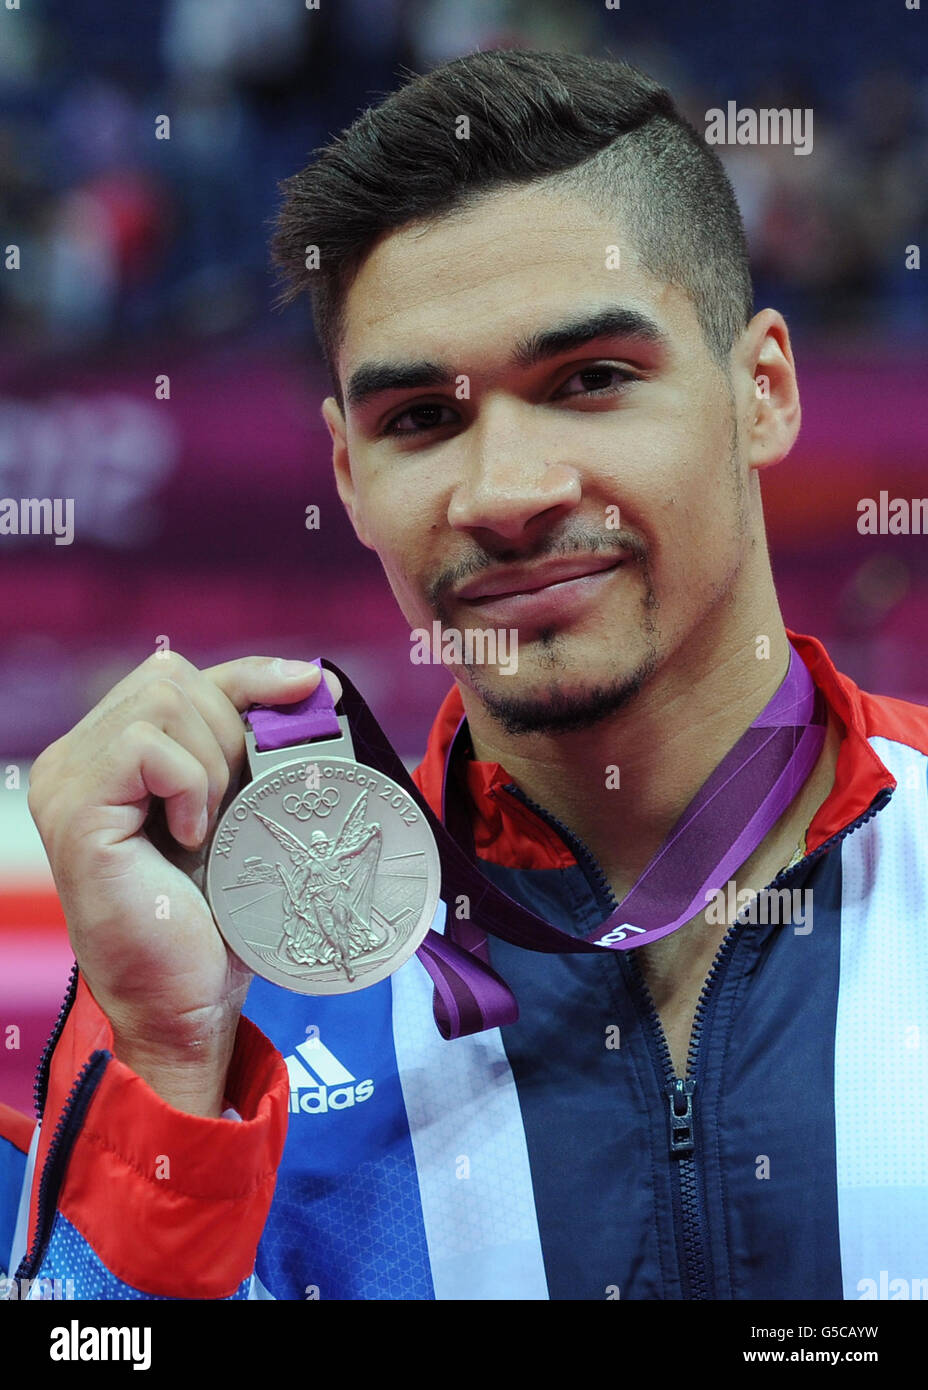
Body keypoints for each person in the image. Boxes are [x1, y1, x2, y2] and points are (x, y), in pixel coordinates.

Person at [2, 49, 927, 1302]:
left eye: (591, 381)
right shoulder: (217, 988)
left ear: (760, 390)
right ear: (347, 474)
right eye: (420, 421)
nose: (502, 495)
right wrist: (171, 1068)